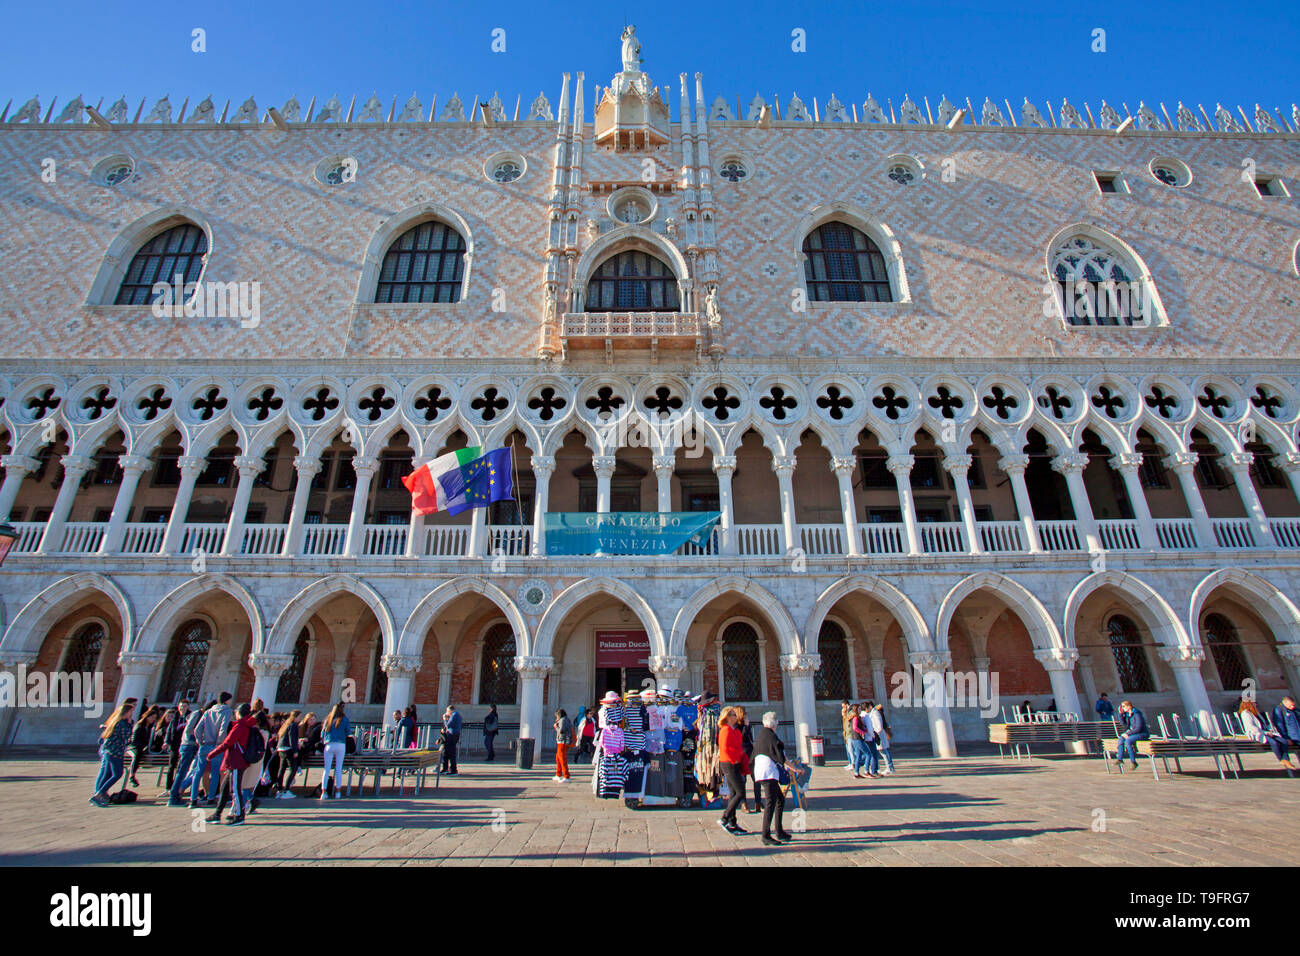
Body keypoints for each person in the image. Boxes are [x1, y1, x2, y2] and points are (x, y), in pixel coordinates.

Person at [207, 703, 256, 825]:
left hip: (236, 761)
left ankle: (239, 815)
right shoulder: (247, 725)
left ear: (238, 713)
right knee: (224, 789)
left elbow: (227, 743)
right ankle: (217, 813)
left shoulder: (240, 726)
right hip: (236, 761)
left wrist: (211, 754)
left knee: (235, 789)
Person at [752, 711, 795, 846]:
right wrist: (795, 768)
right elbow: (781, 756)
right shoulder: (771, 736)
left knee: (779, 799)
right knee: (771, 802)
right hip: (767, 772)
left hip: (763, 771)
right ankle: (765, 835)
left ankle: (779, 830)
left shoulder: (763, 734)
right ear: (776, 723)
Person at [90, 698, 136, 806]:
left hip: (108, 751)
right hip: (115, 752)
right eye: (131, 711)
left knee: (107, 773)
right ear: (126, 712)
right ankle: (99, 794)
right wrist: (130, 725)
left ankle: (100, 794)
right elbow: (126, 738)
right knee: (117, 774)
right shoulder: (122, 724)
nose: (132, 714)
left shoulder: (116, 721)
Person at [168, 700, 211, 806]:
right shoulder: (197, 714)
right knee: (182, 771)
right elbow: (189, 730)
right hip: (188, 746)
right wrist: (197, 739)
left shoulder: (198, 714)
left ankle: (178, 793)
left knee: (190, 770)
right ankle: (173, 797)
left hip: (191, 746)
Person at [195, 692, 233, 804]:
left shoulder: (208, 711)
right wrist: (220, 744)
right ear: (227, 700)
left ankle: (193, 799)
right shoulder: (227, 711)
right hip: (217, 745)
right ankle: (212, 797)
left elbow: (198, 729)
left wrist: (200, 741)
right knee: (216, 772)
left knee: (199, 772)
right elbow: (223, 728)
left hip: (204, 745)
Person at [716, 706, 749, 835]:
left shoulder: (734, 730)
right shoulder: (725, 730)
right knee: (740, 792)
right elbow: (724, 748)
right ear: (728, 717)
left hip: (734, 763)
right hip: (729, 763)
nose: (736, 717)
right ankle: (724, 818)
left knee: (734, 792)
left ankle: (732, 822)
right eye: (734, 715)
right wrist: (733, 759)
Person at [320, 702, 351, 799]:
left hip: (329, 745)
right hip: (341, 744)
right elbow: (348, 732)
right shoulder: (344, 719)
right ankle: (338, 792)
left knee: (327, 769)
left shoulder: (328, 720)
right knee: (338, 768)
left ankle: (324, 792)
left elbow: (322, 735)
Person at [126, 705, 160, 787]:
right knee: (136, 755)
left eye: (154, 718)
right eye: (151, 717)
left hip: (143, 747)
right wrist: (144, 746)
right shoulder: (140, 726)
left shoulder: (151, 727)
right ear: (147, 716)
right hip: (133, 747)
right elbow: (134, 740)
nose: (153, 719)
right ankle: (132, 776)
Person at [736, 706, 760, 813]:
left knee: (756, 778)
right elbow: (742, 737)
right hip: (742, 754)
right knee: (742, 780)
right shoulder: (736, 726)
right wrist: (746, 726)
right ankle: (744, 803)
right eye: (744, 713)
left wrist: (748, 726)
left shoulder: (747, 725)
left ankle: (758, 802)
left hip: (750, 752)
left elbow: (750, 738)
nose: (746, 715)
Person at [275, 709, 302, 796]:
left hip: (281, 748)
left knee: (282, 769)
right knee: (293, 769)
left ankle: (279, 790)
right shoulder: (293, 725)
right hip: (288, 749)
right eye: (299, 717)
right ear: (295, 717)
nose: (300, 719)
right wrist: (295, 750)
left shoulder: (286, 725)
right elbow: (292, 739)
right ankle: (286, 789)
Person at [1269, 696, 1300, 769]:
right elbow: (1280, 726)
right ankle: (1285, 760)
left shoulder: (1296, 711)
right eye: (1290, 705)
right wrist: (1286, 738)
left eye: (1293, 705)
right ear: (1285, 703)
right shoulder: (1279, 710)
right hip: (1292, 737)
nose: (1292, 707)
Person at [1116, 700, 1149, 769]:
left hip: (1142, 733)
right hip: (1133, 733)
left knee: (1128, 741)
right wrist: (1121, 714)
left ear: (1129, 706)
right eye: (1122, 707)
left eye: (1124, 706)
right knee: (1121, 739)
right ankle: (1120, 759)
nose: (1123, 708)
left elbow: (1138, 728)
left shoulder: (1137, 714)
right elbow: (1123, 724)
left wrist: (1128, 733)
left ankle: (1133, 761)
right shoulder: (1128, 715)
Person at [869, 703, 891, 775]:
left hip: (879, 735)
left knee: (884, 751)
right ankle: (888, 767)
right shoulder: (877, 713)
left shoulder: (876, 714)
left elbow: (879, 726)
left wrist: (876, 733)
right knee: (884, 751)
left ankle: (889, 767)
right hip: (879, 734)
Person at [441, 704, 462, 774]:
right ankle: (446, 768)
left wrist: (445, 720)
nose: (447, 713)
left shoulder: (454, 715)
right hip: (453, 734)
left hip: (452, 735)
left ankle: (453, 769)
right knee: (447, 752)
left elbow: (448, 725)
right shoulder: (456, 715)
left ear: (450, 710)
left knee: (451, 752)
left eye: (447, 711)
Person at [553, 709, 573, 782]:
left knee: (562, 758)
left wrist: (555, 726)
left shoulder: (563, 720)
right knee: (558, 758)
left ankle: (566, 775)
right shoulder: (565, 720)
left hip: (562, 741)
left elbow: (561, 730)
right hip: (562, 741)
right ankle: (558, 774)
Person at [840, 699, 855, 771]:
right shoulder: (845, 716)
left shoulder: (850, 713)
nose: (843, 709)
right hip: (846, 734)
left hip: (850, 734)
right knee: (849, 750)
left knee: (852, 750)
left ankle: (853, 763)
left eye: (844, 707)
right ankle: (850, 762)